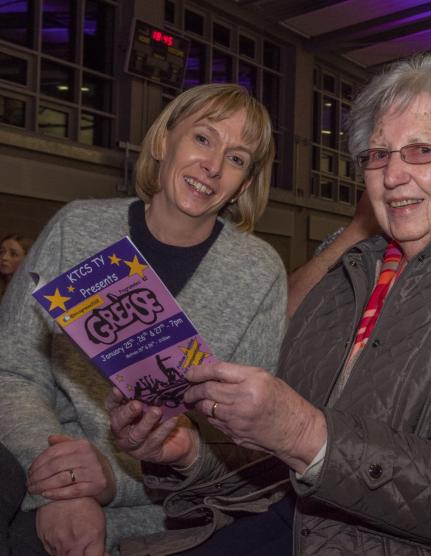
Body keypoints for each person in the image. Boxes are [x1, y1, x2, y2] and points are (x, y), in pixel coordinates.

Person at [107, 53, 431, 555]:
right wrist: (188, 453)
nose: (392, 175)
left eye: (420, 151)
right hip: (289, 526)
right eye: (378, 154)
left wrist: (306, 433)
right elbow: (277, 470)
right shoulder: (348, 276)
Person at [0, 83, 287, 555]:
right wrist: (59, 482)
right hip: (39, 473)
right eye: (203, 138)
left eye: (237, 159)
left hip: (166, 516)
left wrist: (112, 480)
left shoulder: (258, 273)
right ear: (162, 140)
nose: (213, 167)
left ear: (247, 182)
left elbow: (243, 450)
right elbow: (13, 371)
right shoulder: (77, 228)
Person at [0, 233, 33, 300]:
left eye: (13, 254)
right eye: (1, 252)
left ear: (27, 258)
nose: (4, 257)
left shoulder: (33, 287)